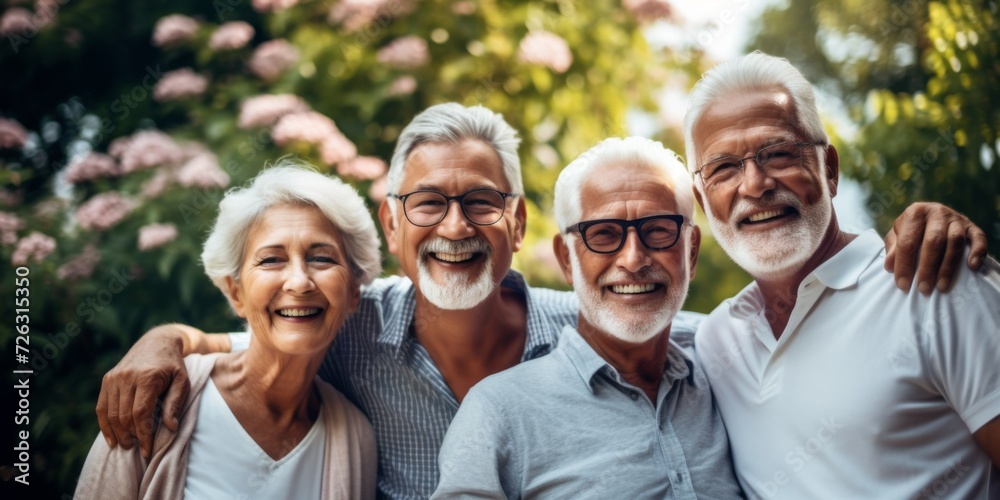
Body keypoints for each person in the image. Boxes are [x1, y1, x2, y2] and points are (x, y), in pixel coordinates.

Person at [94, 103, 988, 498]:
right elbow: (253, 331)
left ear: (518, 222)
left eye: (481, 202)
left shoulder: (609, 330)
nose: (457, 226)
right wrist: (159, 342)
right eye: (431, 204)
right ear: (393, 221)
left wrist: (889, 240)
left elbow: (787, 325)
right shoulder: (352, 328)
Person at [686, 51, 1000, 498]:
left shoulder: (937, 280)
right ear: (703, 202)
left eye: (778, 154)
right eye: (723, 168)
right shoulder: (713, 341)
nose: (754, 184)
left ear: (829, 169)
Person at [433, 137, 742, 498]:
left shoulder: (730, 376)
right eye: (604, 234)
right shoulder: (497, 413)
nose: (633, 259)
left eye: (658, 230)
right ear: (566, 259)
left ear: (690, 250)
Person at [76, 164, 380, 499]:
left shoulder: (356, 437)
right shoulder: (158, 394)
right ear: (237, 294)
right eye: (271, 260)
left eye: (321, 258)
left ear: (354, 291)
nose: (299, 282)